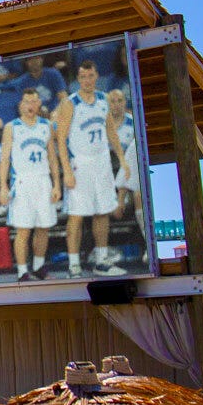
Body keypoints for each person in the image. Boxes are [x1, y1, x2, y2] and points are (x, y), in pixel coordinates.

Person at [55, 61, 129, 276]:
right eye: (83, 77)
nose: (87, 80)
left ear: (96, 76)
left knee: (103, 211)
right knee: (76, 215)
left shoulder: (104, 99)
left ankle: (102, 260)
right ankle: (74, 264)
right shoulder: (70, 103)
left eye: (90, 76)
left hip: (102, 162)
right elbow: (61, 139)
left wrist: (123, 160)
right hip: (81, 164)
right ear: (78, 79)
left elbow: (111, 132)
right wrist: (67, 171)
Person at [0, 88, 61, 281]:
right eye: (27, 101)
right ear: (21, 105)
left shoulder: (47, 125)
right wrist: (3, 186)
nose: (30, 105)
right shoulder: (12, 127)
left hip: (43, 180)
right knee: (23, 229)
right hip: (22, 182)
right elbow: (4, 159)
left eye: (34, 101)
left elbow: (52, 158)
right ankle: (22, 271)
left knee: (44, 227)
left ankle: (39, 266)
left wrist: (57, 184)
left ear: (39, 104)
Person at [108, 88, 146, 251]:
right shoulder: (101, 125)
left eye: (120, 101)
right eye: (112, 101)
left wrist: (121, 196)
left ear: (126, 103)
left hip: (129, 173)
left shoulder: (134, 124)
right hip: (105, 174)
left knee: (139, 194)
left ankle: (148, 247)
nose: (117, 105)